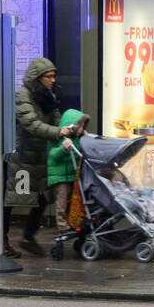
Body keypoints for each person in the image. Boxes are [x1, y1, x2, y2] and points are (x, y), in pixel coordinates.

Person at [4, 57, 76, 257]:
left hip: (40, 157)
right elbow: (31, 123)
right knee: (12, 199)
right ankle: (1, 240)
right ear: (37, 78)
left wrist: (69, 127)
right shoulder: (23, 95)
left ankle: (28, 237)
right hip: (22, 160)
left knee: (43, 197)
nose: (53, 80)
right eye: (49, 77)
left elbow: (55, 118)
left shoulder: (46, 95)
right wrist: (58, 132)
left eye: (54, 76)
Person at [47, 108, 89, 259]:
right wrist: (63, 148)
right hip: (60, 177)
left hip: (73, 175)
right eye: (81, 126)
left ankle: (75, 223)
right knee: (62, 201)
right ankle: (62, 227)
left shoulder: (79, 140)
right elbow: (53, 156)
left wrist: (87, 138)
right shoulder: (60, 138)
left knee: (75, 201)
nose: (83, 129)